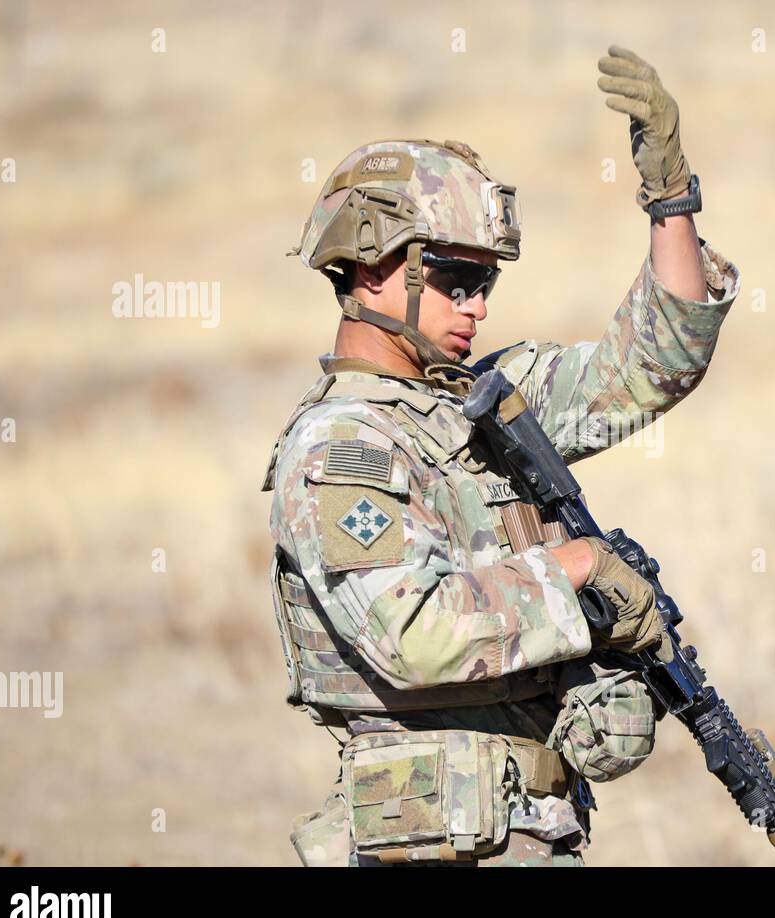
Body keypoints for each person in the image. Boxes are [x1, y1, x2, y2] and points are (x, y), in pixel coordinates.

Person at [263, 46, 740, 866]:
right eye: (454, 277)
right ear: (374, 267)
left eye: (488, 281)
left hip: (531, 834)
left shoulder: (488, 402)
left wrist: (671, 197)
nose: (477, 304)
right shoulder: (341, 448)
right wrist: (580, 568)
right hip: (425, 842)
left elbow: (650, 367)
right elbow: (415, 634)